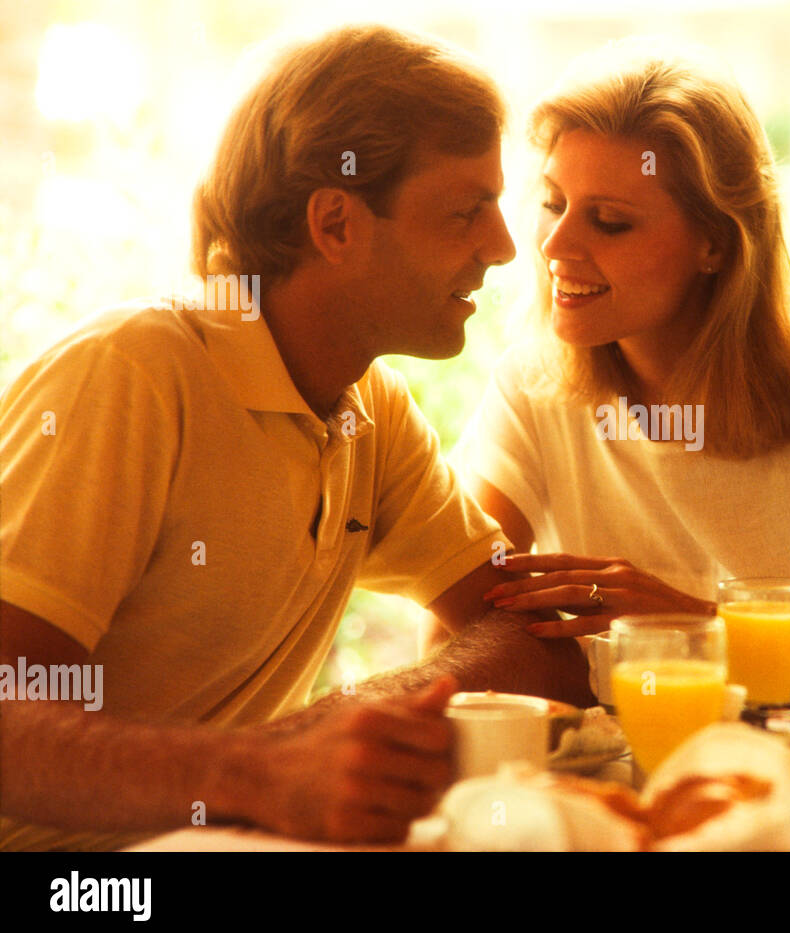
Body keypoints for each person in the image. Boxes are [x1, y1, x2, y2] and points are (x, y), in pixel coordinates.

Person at [0, 25, 592, 852]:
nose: (502, 248)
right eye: (466, 211)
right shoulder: (131, 376)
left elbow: (535, 641)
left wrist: (345, 721)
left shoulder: (368, 408)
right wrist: (262, 770)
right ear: (337, 224)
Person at [453, 39, 790, 684]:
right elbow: (458, 641)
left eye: (608, 221)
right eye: (552, 203)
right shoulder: (533, 390)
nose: (553, 243)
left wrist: (701, 629)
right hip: (620, 786)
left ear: (715, 243)